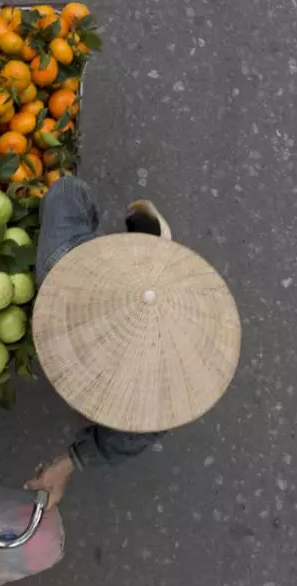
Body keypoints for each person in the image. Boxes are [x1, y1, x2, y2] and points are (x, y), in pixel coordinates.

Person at [25, 174, 241, 507]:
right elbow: (125, 439)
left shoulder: (60, 263)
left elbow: (67, 192)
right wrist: (67, 464)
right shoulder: (169, 388)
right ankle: (148, 241)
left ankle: (144, 238)